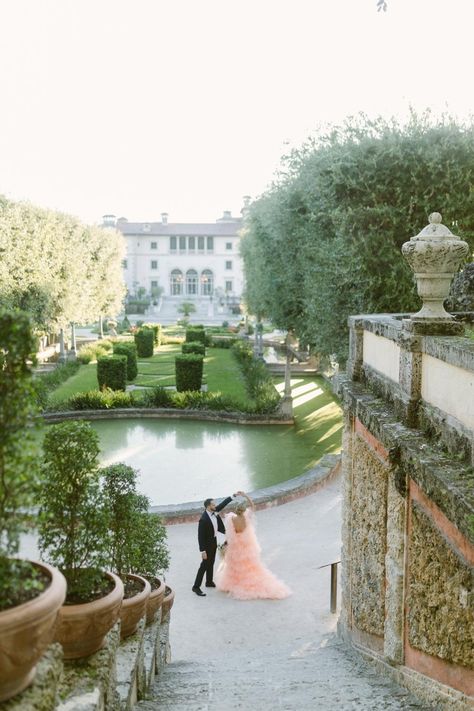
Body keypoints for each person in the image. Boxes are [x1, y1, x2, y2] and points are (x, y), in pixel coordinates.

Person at [215, 492, 291, 600]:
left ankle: (235, 582)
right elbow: (253, 506)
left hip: (236, 545)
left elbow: (229, 534)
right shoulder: (246, 517)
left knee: (235, 565)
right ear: (243, 510)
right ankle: (246, 580)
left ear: (236, 510)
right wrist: (245, 496)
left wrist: (226, 544)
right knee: (248, 564)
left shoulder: (231, 518)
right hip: (246, 545)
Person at [192, 493, 237, 596]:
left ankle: (209, 582)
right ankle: (195, 587)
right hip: (206, 544)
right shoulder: (203, 520)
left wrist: (233, 496)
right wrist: (202, 551)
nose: (215, 506)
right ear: (208, 506)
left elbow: (223, 504)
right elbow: (200, 537)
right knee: (204, 565)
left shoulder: (214, 511)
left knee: (211, 562)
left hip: (214, 541)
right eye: (213, 505)